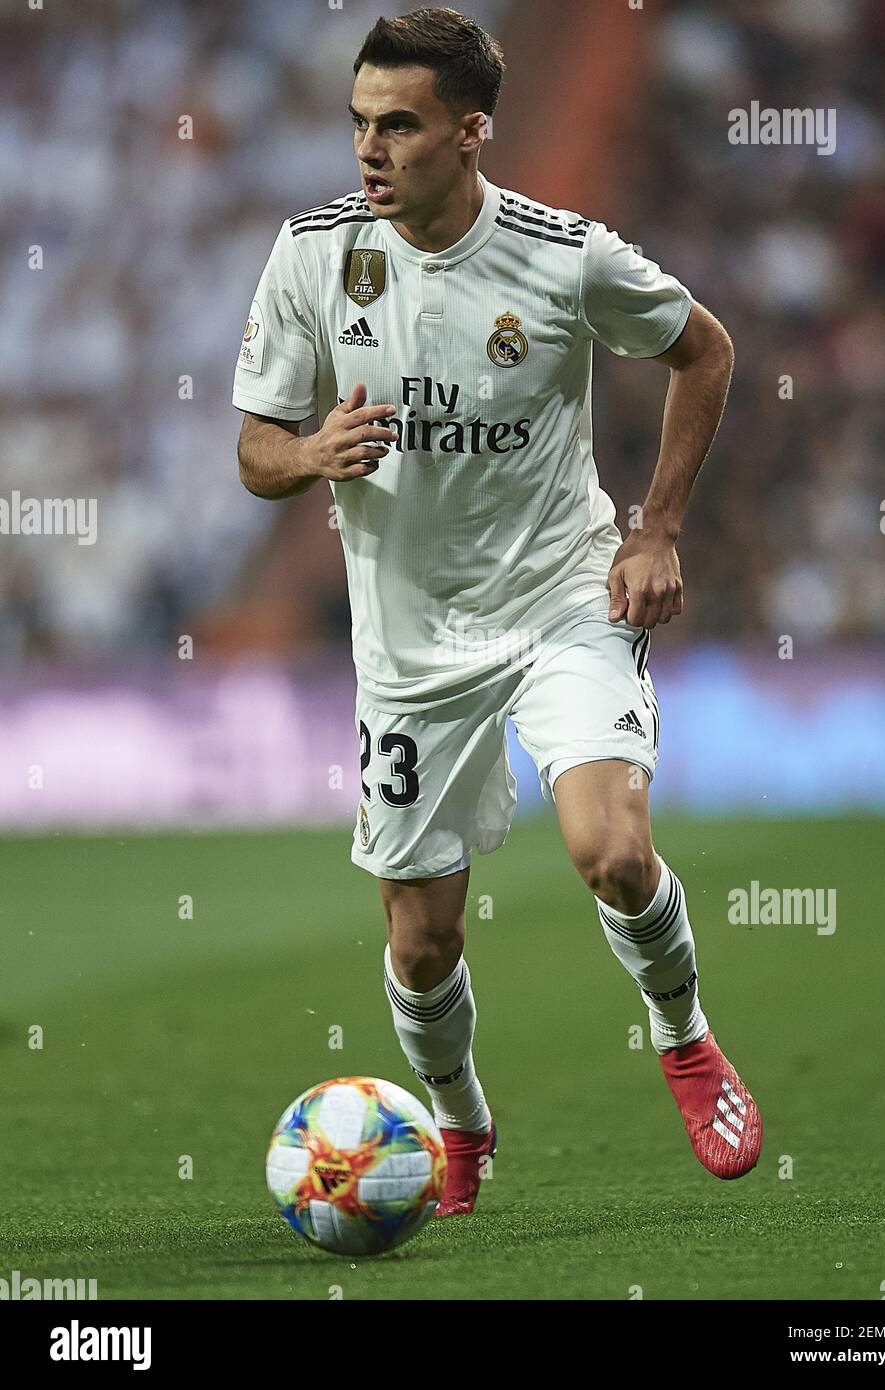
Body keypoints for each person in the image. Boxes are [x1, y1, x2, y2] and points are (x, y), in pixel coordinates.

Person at [234, 6, 761, 1217]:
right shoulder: (313, 254)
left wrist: (658, 527)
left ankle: (682, 1036)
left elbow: (708, 350)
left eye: (400, 126)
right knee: (422, 946)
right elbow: (256, 450)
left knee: (613, 853)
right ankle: (460, 1125)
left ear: (470, 133)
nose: (370, 150)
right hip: (411, 647)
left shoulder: (564, 254)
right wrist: (314, 447)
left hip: (560, 601)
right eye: (361, 124)